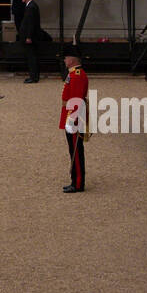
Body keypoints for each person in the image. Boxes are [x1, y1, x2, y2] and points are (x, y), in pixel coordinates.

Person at [60, 45, 89, 191]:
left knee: (76, 151)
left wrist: (71, 120)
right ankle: (75, 179)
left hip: (74, 116)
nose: (64, 60)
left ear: (71, 59)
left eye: (65, 58)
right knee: (74, 150)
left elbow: (76, 99)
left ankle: (77, 183)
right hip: (71, 114)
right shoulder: (74, 73)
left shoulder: (76, 74)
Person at [17, 0, 42, 83]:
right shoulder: (31, 6)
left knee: (32, 57)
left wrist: (28, 37)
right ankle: (33, 76)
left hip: (31, 37)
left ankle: (34, 77)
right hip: (31, 36)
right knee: (31, 56)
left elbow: (31, 24)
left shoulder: (31, 7)